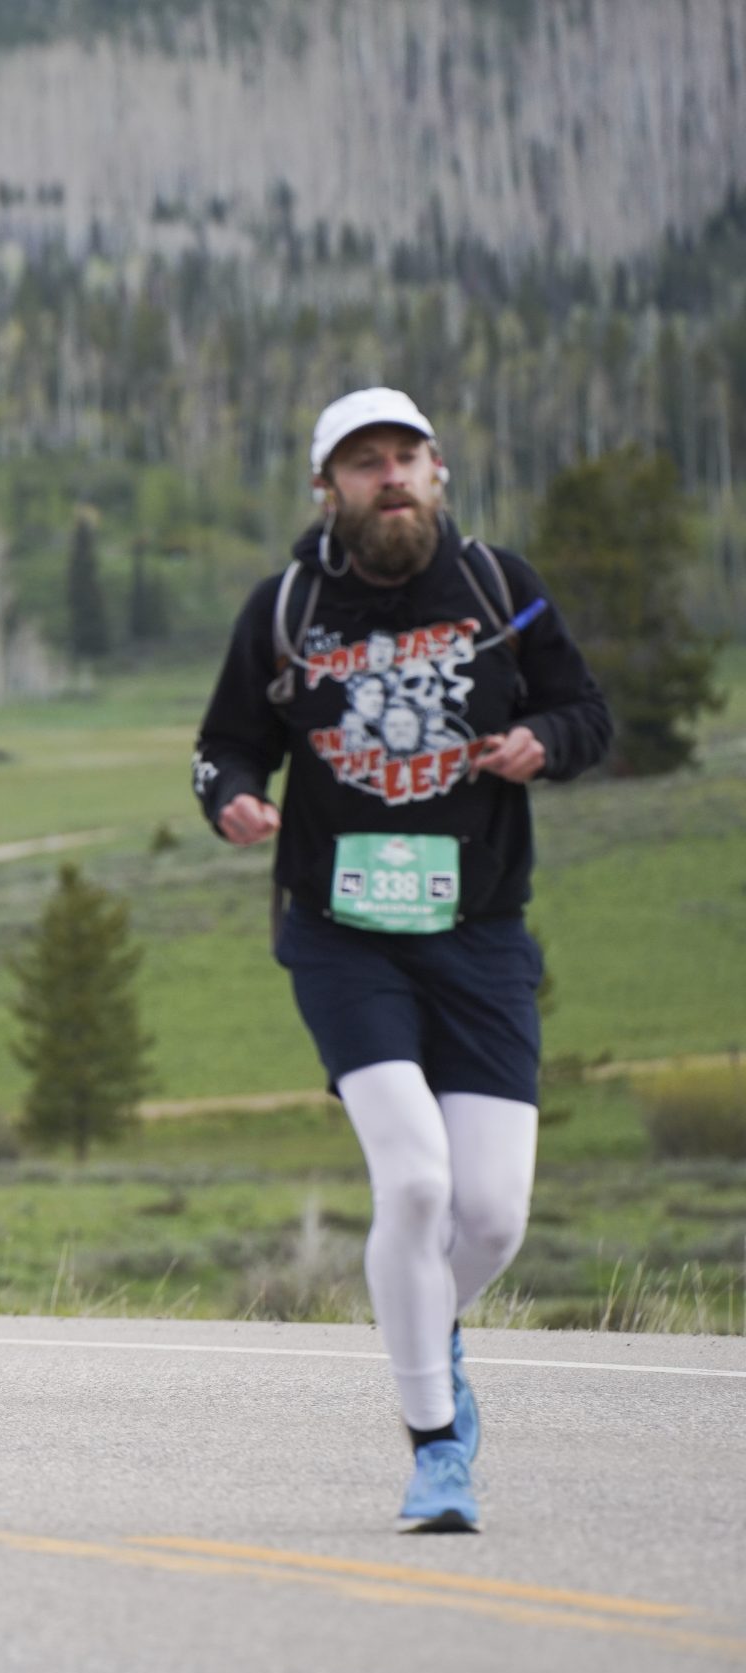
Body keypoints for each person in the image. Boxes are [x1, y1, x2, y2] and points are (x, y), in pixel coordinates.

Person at [192, 387, 614, 1533]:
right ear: (325, 486)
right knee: (417, 1182)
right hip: (341, 935)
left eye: (405, 457)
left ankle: (424, 1322)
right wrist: (232, 798)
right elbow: (223, 744)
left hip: (480, 933)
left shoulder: (498, 586)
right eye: (362, 461)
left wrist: (542, 741)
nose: (388, 476)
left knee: (491, 1217)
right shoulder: (287, 607)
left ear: (437, 472)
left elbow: (586, 711)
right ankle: (435, 1447)